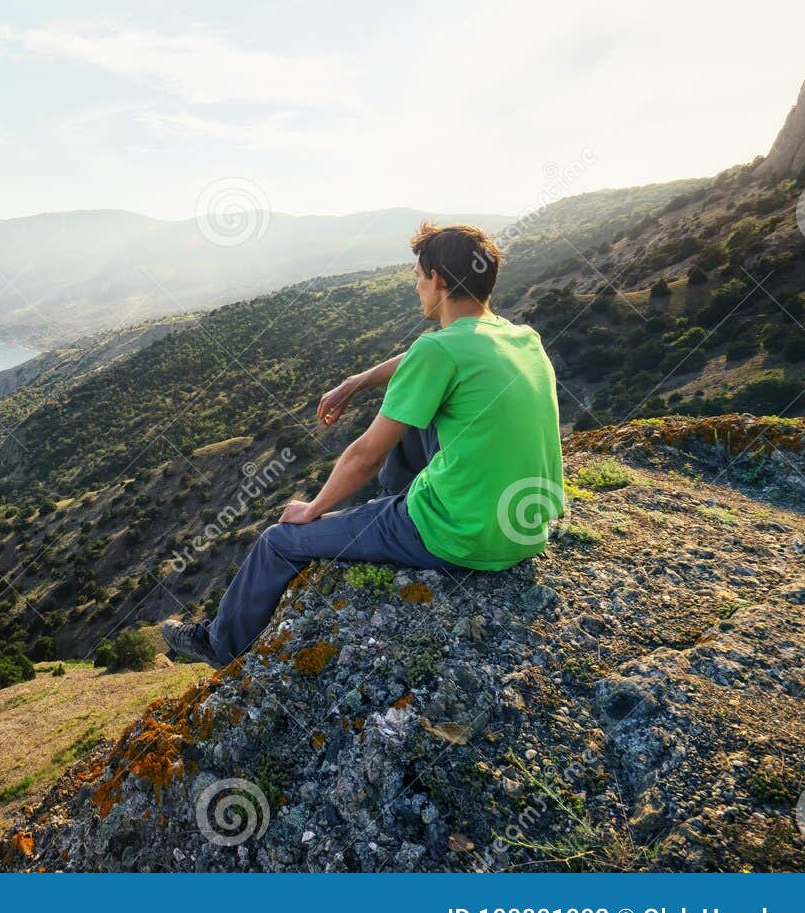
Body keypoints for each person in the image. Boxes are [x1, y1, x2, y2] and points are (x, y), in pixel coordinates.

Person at [162, 222, 564, 666]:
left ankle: (220, 643)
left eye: (417, 275)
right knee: (421, 420)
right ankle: (394, 508)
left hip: (461, 537)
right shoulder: (522, 338)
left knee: (278, 540)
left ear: (439, 280)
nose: (415, 286)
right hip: (525, 531)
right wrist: (358, 380)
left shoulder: (440, 352)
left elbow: (365, 455)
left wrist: (312, 510)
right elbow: (425, 355)